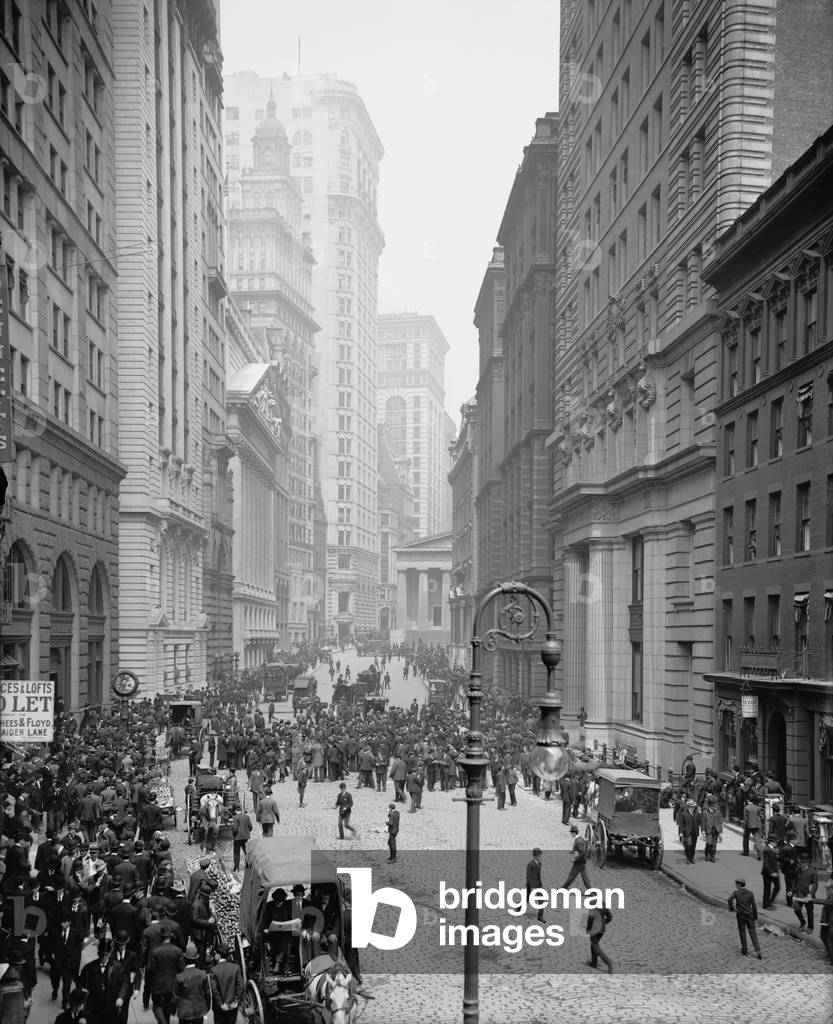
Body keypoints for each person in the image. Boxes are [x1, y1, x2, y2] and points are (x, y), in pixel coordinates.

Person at [145, 924, 184, 1024]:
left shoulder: (155, 951)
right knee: (167, 1005)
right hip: (172, 983)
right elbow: (181, 968)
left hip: (158, 983)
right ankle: (165, 1021)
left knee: (157, 1005)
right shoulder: (177, 951)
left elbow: (151, 968)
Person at [172, 942, 211, 1024]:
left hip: (184, 1011)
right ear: (196, 959)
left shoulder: (179, 977)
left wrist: (173, 1010)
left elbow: (175, 996)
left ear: (185, 959)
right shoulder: (202, 974)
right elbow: (207, 993)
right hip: (199, 1009)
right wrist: (207, 1007)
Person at [208, 943, 244, 1024]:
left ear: (219, 955)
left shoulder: (214, 970)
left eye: (216, 954)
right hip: (232, 1005)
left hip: (219, 1008)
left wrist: (221, 1004)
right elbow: (240, 985)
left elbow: (214, 989)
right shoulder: (236, 968)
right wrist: (236, 1001)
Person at [727, 878, 762, 958]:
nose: (736, 885)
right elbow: (754, 906)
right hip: (749, 915)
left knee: (742, 932)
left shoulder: (736, 893)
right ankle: (758, 950)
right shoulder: (750, 893)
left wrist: (732, 908)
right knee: (752, 932)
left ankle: (745, 951)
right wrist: (755, 916)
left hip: (740, 915)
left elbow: (729, 900)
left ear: (739, 884)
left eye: (736, 884)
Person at [792, 851, 818, 933]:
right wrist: (791, 890)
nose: (802, 864)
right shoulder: (797, 870)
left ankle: (810, 927)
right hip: (798, 894)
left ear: (807, 862)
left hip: (807, 894)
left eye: (804, 862)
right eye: (801, 862)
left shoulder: (812, 871)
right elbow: (794, 881)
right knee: (796, 910)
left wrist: (811, 894)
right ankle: (803, 923)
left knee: (809, 912)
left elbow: (815, 884)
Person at [586, 901, 613, 973]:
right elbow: (610, 916)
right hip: (602, 930)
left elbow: (590, 918)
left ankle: (607, 961)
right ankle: (594, 963)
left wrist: (588, 929)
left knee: (595, 945)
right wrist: (604, 922)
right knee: (593, 944)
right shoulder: (603, 903)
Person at [700, 793, 723, 862]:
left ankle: (712, 857)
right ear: (709, 805)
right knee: (709, 843)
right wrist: (703, 831)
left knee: (714, 844)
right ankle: (707, 855)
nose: (714, 806)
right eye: (712, 805)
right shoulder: (705, 812)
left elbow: (720, 822)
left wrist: (720, 832)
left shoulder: (718, 812)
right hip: (708, 830)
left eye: (714, 805)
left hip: (716, 830)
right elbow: (702, 822)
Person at [678, 797, 701, 864]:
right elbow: (681, 824)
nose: (692, 808)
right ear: (688, 807)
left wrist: (703, 830)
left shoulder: (698, 814)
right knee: (688, 845)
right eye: (690, 806)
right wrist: (681, 832)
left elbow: (701, 822)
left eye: (693, 806)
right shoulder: (684, 814)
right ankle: (688, 858)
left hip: (695, 832)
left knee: (693, 846)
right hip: (687, 832)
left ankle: (692, 858)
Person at [526, 847, 545, 924]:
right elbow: (529, 876)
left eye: (540, 855)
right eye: (538, 855)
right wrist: (532, 887)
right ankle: (519, 907)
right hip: (531, 885)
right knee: (527, 899)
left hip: (538, 885)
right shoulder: (530, 864)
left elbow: (538, 876)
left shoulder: (539, 864)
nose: (540, 857)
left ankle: (540, 916)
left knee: (541, 900)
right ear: (534, 856)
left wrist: (540, 884)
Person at [760, 839, 781, 909]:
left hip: (775, 872)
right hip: (767, 873)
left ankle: (770, 901)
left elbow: (777, 859)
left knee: (777, 887)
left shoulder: (774, 849)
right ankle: (766, 905)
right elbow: (766, 863)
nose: (776, 843)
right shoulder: (766, 849)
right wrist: (771, 872)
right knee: (767, 889)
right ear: (771, 842)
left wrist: (777, 854)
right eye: (775, 842)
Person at [230, 807, 253, 872]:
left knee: (236, 853)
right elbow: (251, 827)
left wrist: (233, 834)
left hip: (237, 837)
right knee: (246, 851)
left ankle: (236, 868)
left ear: (236, 810)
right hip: (245, 837)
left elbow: (235, 829)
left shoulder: (235, 817)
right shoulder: (247, 817)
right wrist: (246, 832)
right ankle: (250, 865)